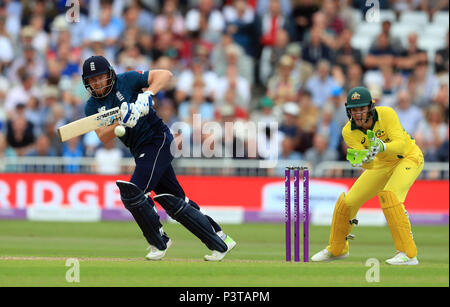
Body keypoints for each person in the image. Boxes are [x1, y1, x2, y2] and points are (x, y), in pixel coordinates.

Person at [81, 55, 236, 261]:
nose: (97, 83)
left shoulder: (126, 80)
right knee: (176, 202)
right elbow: (102, 135)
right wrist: (121, 120)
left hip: (158, 140)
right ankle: (220, 238)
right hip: (140, 150)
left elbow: (165, 74)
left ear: (109, 74)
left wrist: (148, 95)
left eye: (100, 77)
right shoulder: (92, 106)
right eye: (92, 80)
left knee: (133, 193)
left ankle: (158, 241)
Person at [311, 86, 424, 265]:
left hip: (408, 158)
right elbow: (370, 164)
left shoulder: (386, 114)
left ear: (370, 107)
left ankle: (408, 254)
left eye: (361, 108)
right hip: (381, 164)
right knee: (348, 202)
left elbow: (401, 146)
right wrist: (361, 160)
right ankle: (338, 248)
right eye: (353, 110)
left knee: (390, 196)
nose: (357, 113)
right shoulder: (348, 131)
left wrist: (382, 146)